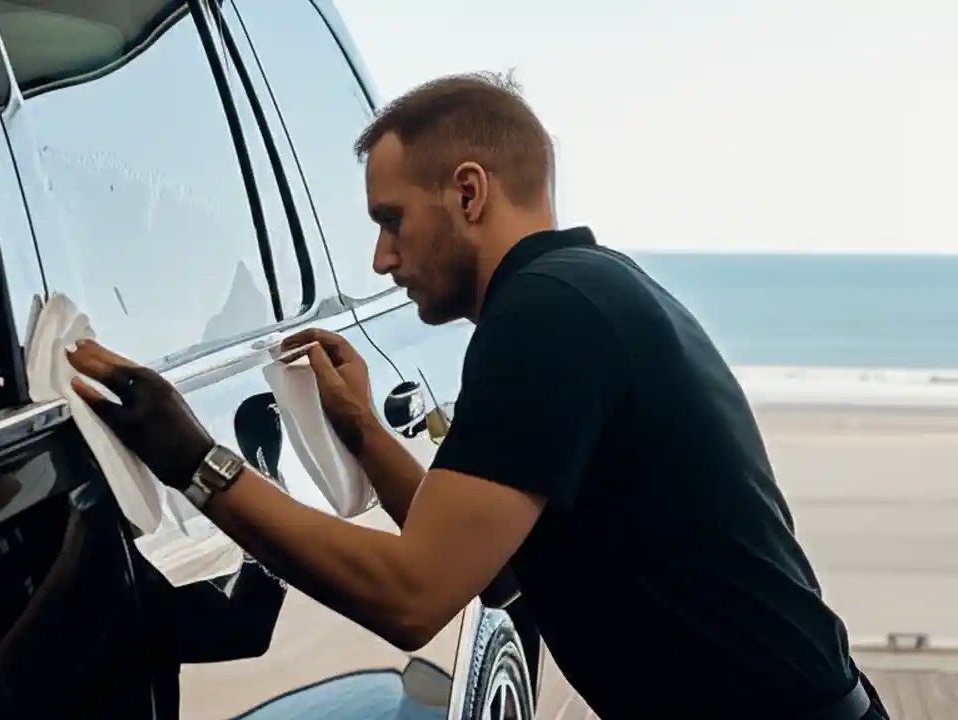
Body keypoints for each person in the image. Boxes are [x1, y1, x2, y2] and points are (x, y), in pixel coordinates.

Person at [66, 72, 888, 719]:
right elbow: (494, 571)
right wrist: (362, 433)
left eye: (393, 221)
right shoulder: (586, 291)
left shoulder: (548, 318)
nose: (382, 260)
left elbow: (411, 595)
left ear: (468, 193)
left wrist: (192, 459)